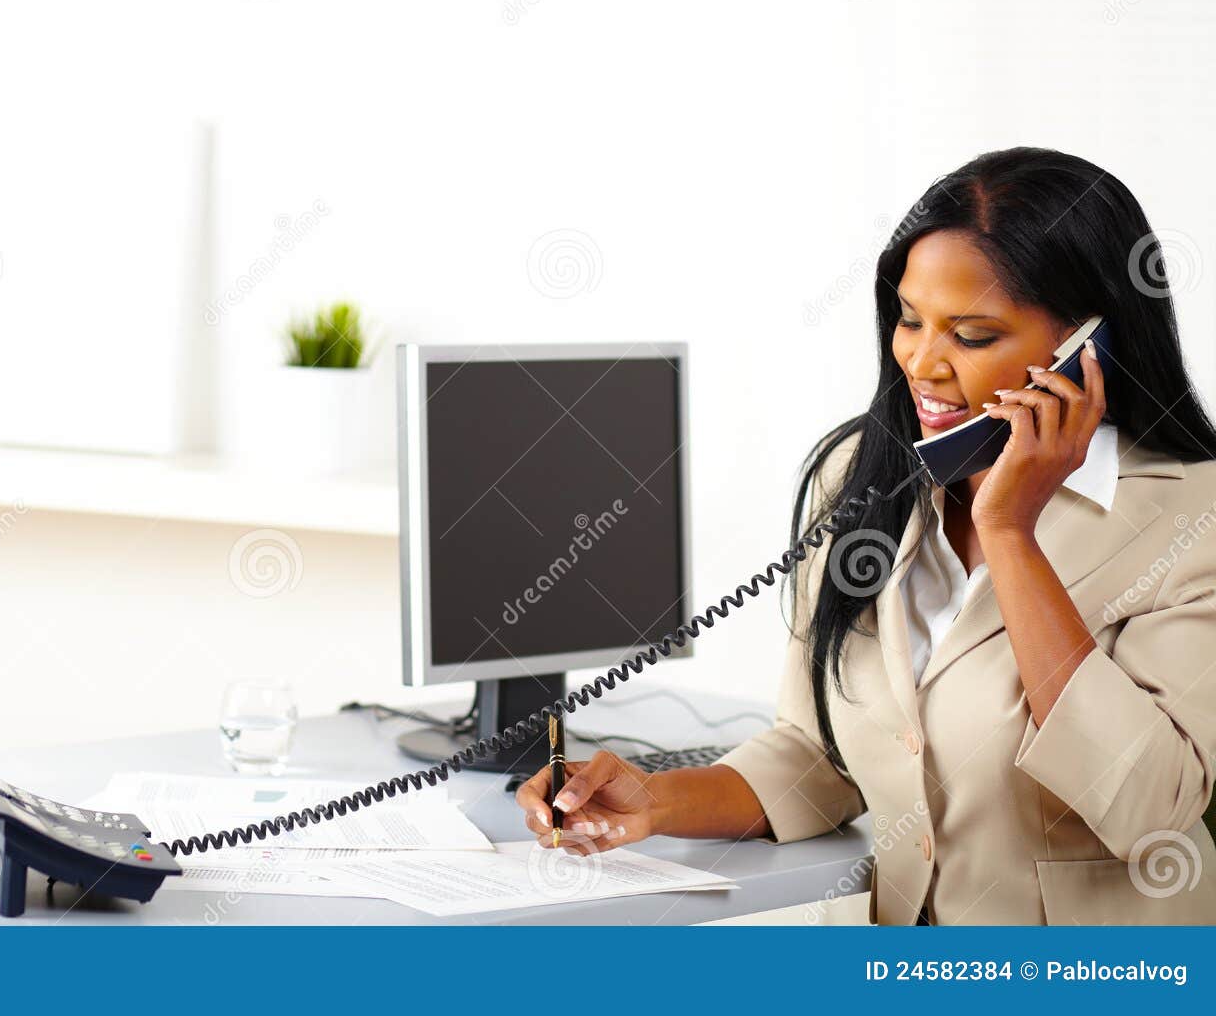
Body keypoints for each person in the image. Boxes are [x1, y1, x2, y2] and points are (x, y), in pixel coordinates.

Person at [516, 147, 1216, 924]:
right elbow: (817, 756)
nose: (922, 361)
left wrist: (1010, 532)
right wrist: (654, 799)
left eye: (974, 335)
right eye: (910, 320)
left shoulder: (1191, 519)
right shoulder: (864, 474)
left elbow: (1152, 809)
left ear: (1090, 347)